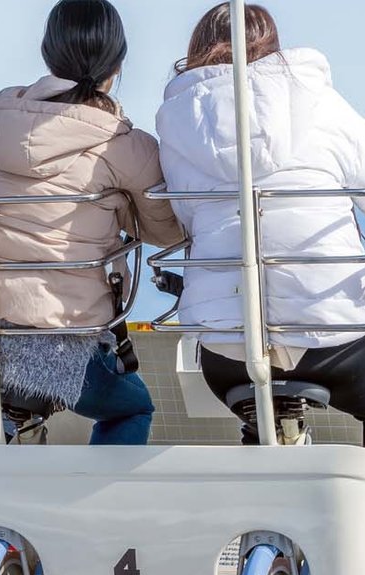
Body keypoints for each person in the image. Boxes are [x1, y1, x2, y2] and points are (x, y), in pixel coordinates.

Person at [0, 0, 183, 445]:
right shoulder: (123, 145)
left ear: (48, 53)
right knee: (132, 407)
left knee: (12, 402)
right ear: (118, 63)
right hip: (60, 342)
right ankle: (102, 511)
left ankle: (23, 457)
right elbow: (166, 230)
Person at [156, 3, 365, 443]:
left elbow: (185, 217)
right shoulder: (319, 99)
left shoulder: (176, 121)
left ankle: (271, 447)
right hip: (332, 331)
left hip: (227, 348)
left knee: (251, 387)